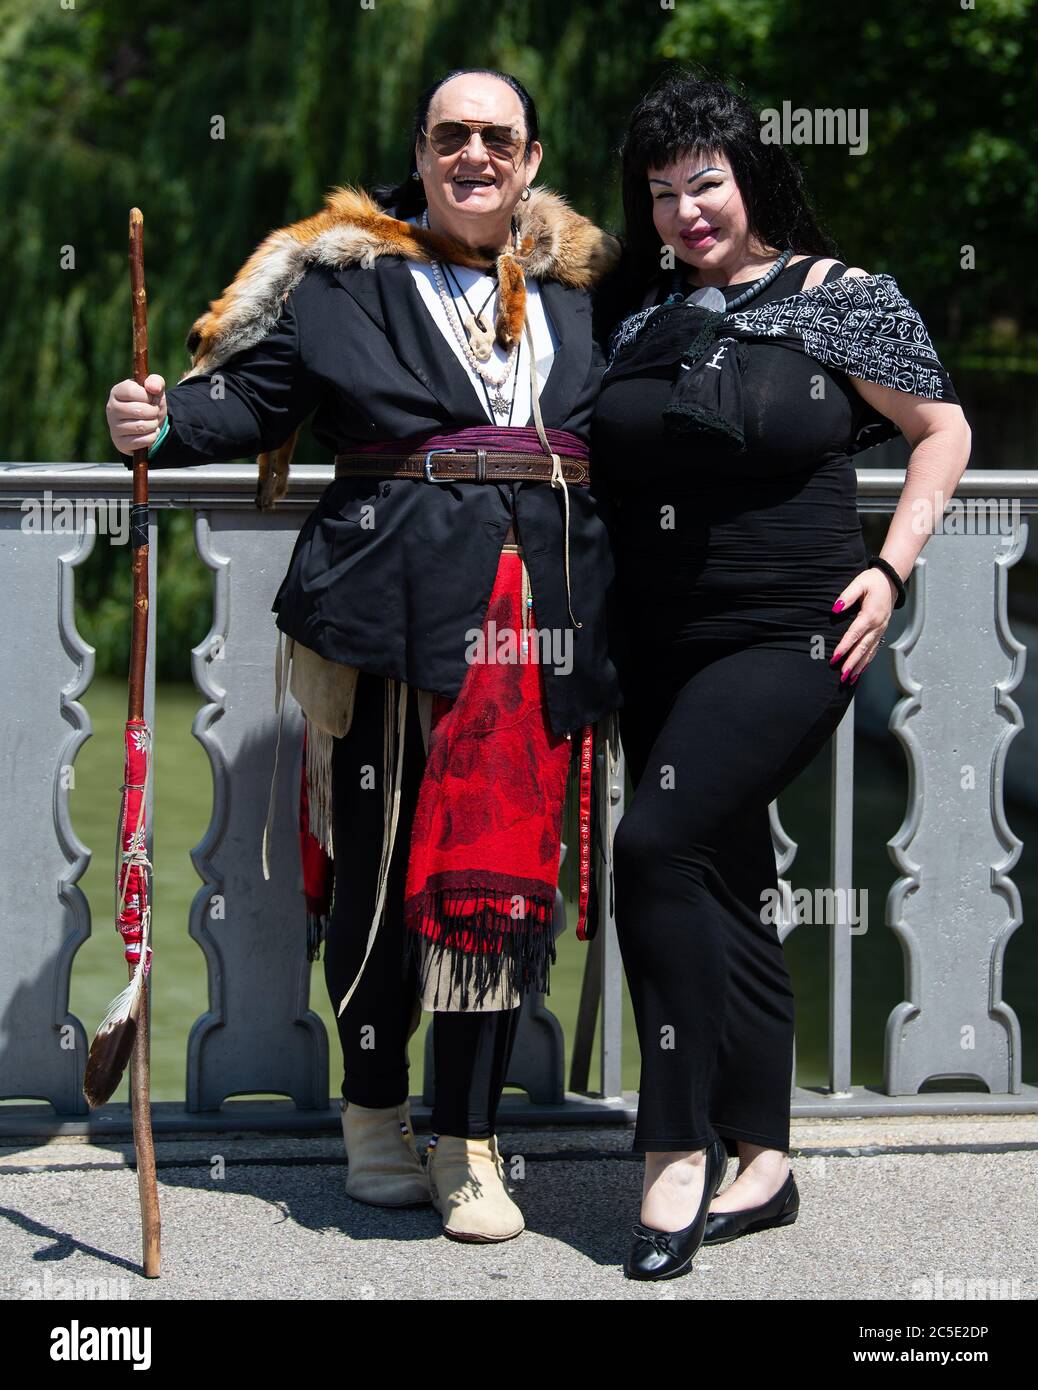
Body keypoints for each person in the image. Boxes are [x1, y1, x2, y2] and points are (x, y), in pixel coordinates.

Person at [106, 67, 622, 1243]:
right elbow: (254, 399)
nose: (475, 156)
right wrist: (163, 423)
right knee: (383, 879)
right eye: (453, 137)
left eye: (499, 138)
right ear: (422, 155)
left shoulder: (587, 297)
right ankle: (376, 1108)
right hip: (389, 608)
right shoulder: (351, 285)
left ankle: (471, 1137)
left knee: (502, 889)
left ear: (532, 160)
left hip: (542, 625)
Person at [590, 72, 972, 1281]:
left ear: (753, 174)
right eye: (661, 193)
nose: (686, 211)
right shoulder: (640, 315)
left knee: (652, 849)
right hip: (656, 642)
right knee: (725, 878)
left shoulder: (840, 298)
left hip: (793, 634)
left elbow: (942, 429)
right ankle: (767, 1158)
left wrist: (894, 566)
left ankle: (675, 1151)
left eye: (705, 182)